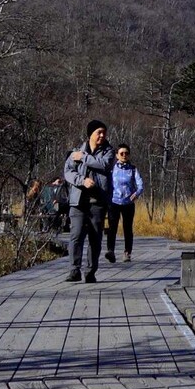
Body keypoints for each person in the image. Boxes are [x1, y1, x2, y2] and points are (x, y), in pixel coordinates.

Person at [63, 119, 115, 283]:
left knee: (95, 238)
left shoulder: (109, 152)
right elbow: (68, 172)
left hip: (97, 202)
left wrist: (83, 158)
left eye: (104, 132)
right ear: (90, 134)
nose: (101, 135)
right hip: (78, 201)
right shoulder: (76, 151)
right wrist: (82, 180)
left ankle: (90, 271)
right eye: (98, 132)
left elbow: (104, 165)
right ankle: (74, 270)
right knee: (76, 236)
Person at [106, 143, 143, 263]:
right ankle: (110, 250)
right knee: (112, 227)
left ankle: (127, 252)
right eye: (121, 153)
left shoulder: (132, 169)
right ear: (117, 155)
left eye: (126, 153)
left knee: (127, 228)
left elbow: (140, 184)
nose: (124, 155)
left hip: (128, 202)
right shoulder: (112, 169)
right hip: (114, 201)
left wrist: (136, 194)